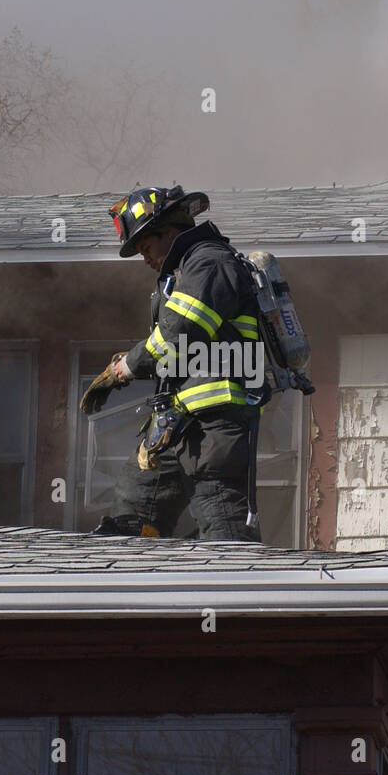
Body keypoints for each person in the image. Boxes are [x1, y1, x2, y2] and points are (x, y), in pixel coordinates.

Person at [80, 185, 263, 542]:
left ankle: (233, 590)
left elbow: (179, 334)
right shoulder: (181, 275)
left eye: (147, 247)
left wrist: (124, 369)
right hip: (175, 424)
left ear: (170, 231)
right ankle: (136, 586)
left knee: (220, 516)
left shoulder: (209, 262)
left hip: (215, 424)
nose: (146, 259)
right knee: (132, 514)